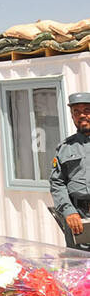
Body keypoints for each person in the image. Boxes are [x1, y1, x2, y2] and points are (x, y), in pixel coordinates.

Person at [50, 92, 90, 247]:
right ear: (72, 117)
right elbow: (57, 182)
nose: (82, 116)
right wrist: (68, 211)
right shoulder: (64, 148)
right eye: (76, 112)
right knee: (78, 266)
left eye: (87, 110)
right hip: (77, 218)